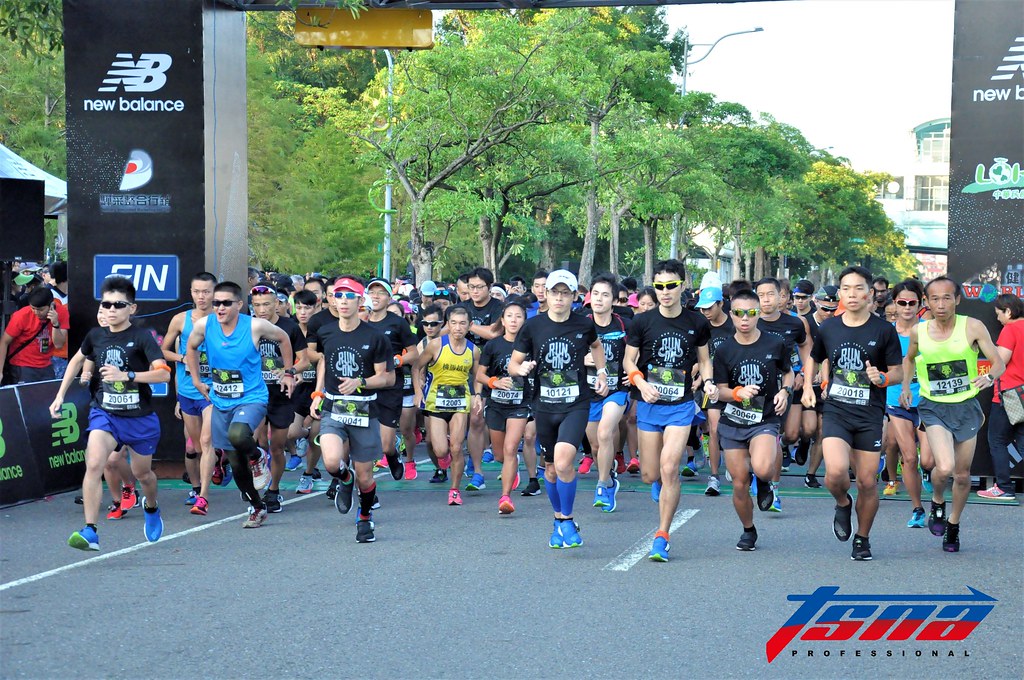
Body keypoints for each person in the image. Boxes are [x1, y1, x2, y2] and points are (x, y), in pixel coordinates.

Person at [49, 276, 170, 551]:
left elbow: (163, 374)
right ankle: (90, 530)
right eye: (107, 304)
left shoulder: (141, 337)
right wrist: (59, 395)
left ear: (132, 308)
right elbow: (77, 361)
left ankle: (151, 507)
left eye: (119, 304)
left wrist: (126, 374)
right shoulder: (95, 335)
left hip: (139, 418)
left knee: (144, 475)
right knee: (94, 464)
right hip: (105, 413)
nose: (112, 309)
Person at [802, 266, 903, 561]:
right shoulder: (830, 327)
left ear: (870, 293)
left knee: (868, 481)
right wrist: (808, 385)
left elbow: (897, 372)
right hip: (836, 410)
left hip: (869, 414)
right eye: (846, 288)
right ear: (841, 292)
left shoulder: (884, 330)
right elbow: (814, 357)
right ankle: (843, 502)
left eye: (859, 288)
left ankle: (862, 538)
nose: (852, 294)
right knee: (834, 473)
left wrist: (881, 378)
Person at [900, 276, 1005, 552]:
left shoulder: (972, 326)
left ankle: (954, 525)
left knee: (961, 474)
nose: (941, 304)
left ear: (957, 299)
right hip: (934, 406)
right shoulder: (918, 332)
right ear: (926, 302)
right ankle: (936, 500)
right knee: (943, 467)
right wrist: (906, 387)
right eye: (934, 298)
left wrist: (990, 377)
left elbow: (997, 362)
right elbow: (909, 359)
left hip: (966, 407)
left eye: (947, 297)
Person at [623, 259, 716, 561]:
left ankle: (662, 534)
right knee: (651, 474)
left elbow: (704, 360)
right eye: (659, 286)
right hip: (650, 405)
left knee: (669, 467)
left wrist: (708, 379)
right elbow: (627, 362)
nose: (665, 292)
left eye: (671, 285)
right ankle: (661, 486)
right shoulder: (642, 322)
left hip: (680, 406)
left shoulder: (697, 322)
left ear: (683, 285)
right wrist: (639, 381)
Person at [185, 281, 297, 529]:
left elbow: (284, 338)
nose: (220, 308)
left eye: (226, 303)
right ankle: (258, 507)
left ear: (239, 304)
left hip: (252, 397)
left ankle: (258, 456)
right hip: (221, 399)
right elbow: (190, 348)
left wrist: (288, 372)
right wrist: (195, 379)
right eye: (216, 303)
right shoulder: (205, 325)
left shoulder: (255, 326)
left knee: (239, 434)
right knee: (235, 463)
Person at [509, 269, 607, 549]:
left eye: (566, 293)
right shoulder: (533, 326)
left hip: (576, 403)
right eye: (555, 292)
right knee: (551, 470)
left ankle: (568, 519)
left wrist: (601, 373)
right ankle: (558, 520)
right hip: (544, 405)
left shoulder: (583, 325)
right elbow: (513, 364)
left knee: (564, 462)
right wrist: (522, 367)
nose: (560, 298)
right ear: (547, 295)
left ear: (574, 297)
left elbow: (597, 346)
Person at [310, 277, 394, 543]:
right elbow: (324, 362)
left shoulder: (375, 337)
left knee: (366, 477)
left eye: (349, 296)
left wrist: (361, 382)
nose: (343, 301)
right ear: (332, 299)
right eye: (338, 296)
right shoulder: (326, 332)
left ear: (360, 301)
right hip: (333, 407)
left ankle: (365, 517)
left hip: (364, 410)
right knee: (332, 461)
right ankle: (344, 479)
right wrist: (318, 393)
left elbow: (388, 378)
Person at [713, 289, 793, 550]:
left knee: (762, 468)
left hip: (764, 419)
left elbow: (789, 373)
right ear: (731, 314)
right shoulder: (724, 349)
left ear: (759, 313)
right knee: (738, 483)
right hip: (733, 421)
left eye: (751, 313)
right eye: (738, 313)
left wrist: (785, 391)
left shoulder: (775, 343)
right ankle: (748, 530)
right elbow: (721, 390)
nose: (744, 318)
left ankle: (765, 482)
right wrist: (737, 393)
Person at [161, 272, 217, 515]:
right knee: (195, 444)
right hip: (188, 389)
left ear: (215, 292)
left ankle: (203, 497)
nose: (201, 296)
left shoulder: (222, 318)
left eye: (206, 291)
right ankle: (198, 484)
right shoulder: (180, 320)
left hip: (215, 389)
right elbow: (163, 350)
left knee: (206, 441)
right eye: (197, 291)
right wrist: (184, 357)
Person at [413, 306, 481, 506]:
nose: (458, 328)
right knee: (441, 450)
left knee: (457, 447)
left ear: (469, 326)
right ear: (447, 325)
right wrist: (419, 392)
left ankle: (454, 490)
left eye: (462, 323)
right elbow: (417, 366)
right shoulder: (435, 345)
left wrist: (477, 394)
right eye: (453, 323)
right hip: (436, 403)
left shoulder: (473, 350)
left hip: (460, 403)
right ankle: (446, 459)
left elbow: (477, 376)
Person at [250, 284, 308, 513]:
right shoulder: (248, 326)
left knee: (277, 446)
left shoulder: (289, 328)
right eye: (256, 305)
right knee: (258, 442)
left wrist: (288, 371)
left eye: (266, 304)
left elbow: (304, 360)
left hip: (281, 395)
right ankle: (258, 476)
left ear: (277, 303)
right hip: (254, 393)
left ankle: (273, 491)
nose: (261, 309)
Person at [756, 277, 812, 512]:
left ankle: (773, 487)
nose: (766, 299)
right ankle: (761, 478)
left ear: (782, 296)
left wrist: (804, 376)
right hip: (753, 388)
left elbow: (806, 348)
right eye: (760, 295)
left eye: (771, 294)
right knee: (758, 439)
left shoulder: (796, 324)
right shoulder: (747, 320)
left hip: (783, 387)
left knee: (783, 436)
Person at [881, 280, 931, 529]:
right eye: (902, 302)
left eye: (913, 302)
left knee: (928, 461)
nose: (908, 307)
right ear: (895, 303)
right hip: (896, 401)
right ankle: (918, 509)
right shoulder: (885, 332)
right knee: (909, 458)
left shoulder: (929, 330)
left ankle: (930, 474)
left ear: (920, 304)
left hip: (927, 400)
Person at [477, 300, 531, 514]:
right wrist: (494, 382)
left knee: (510, 449)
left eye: (518, 316)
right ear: (502, 320)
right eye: (509, 316)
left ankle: (505, 498)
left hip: (520, 403)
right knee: (500, 455)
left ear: (524, 320)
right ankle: (511, 466)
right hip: (496, 404)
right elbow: (480, 374)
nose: (514, 320)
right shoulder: (493, 345)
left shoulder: (530, 345)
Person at [583, 274, 631, 512]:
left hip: (616, 390)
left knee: (605, 433)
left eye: (605, 295)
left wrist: (633, 372)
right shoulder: (581, 323)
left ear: (613, 300)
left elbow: (638, 352)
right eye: (596, 294)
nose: (599, 299)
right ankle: (610, 476)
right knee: (595, 446)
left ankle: (603, 485)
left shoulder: (623, 325)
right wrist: (585, 359)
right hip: (588, 392)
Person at [365, 277, 419, 481]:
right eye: (373, 293)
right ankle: (365, 487)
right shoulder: (362, 322)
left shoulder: (397, 323)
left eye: (381, 293)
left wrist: (397, 360)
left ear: (389, 298)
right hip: (365, 386)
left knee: (386, 444)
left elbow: (414, 355)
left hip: (390, 386)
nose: (376, 297)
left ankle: (393, 456)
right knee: (366, 442)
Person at [979, 293, 1024, 500]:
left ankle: (1004, 487)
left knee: (997, 440)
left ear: (1008, 311)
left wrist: (987, 377)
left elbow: (1001, 361)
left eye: (999, 314)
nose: (997, 318)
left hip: (1009, 393)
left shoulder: (1010, 329)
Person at [696, 286, 733, 496]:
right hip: (712, 385)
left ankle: (735, 463)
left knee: (734, 429)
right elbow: (700, 358)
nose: (706, 312)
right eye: (702, 309)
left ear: (721, 304)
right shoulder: (702, 326)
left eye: (709, 308)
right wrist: (700, 377)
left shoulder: (735, 323)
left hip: (735, 385)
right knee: (714, 428)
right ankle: (713, 477)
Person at [1, 286, 69, 384]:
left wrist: (55, 324)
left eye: (40, 310)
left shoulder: (62, 313)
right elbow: (4, 341)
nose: (36, 313)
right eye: (33, 308)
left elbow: (58, 344)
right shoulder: (22, 315)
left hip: (46, 364)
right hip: (22, 365)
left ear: (51, 305)